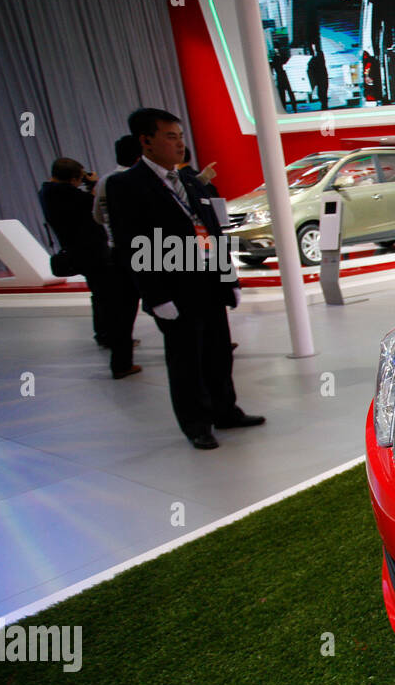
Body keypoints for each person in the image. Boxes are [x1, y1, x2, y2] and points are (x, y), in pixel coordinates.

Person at [107, 107, 263, 450]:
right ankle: (196, 423)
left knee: (219, 352)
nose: (179, 144)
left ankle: (226, 411)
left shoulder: (190, 180)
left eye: (180, 136)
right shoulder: (126, 185)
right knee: (185, 359)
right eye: (170, 137)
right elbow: (132, 244)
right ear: (146, 141)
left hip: (208, 280)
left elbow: (213, 230)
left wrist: (230, 279)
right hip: (174, 287)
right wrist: (155, 296)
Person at [40, 157, 140, 379]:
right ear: (74, 178)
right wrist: (93, 185)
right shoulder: (70, 195)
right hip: (92, 253)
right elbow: (97, 207)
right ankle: (117, 348)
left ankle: (104, 334)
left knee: (101, 295)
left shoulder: (47, 192)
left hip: (79, 252)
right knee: (114, 301)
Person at [91, 134, 144, 362]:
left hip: (117, 250)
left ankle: (121, 360)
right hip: (144, 251)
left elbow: (98, 216)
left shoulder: (104, 180)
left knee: (122, 308)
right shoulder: (136, 180)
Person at [307, 42, 328, 111]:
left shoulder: (320, 54)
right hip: (317, 77)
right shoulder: (312, 56)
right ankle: (324, 105)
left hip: (323, 76)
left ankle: (324, 106)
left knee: (323, 92)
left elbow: (317, 62)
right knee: (320, 93)